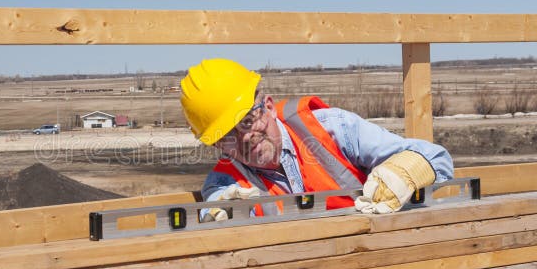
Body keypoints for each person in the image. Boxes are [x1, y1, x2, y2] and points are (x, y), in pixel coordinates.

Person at [179, 59, 454, 219]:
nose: (247, 137)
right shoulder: (225, 184)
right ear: (216, 145)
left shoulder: (334, 129)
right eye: (228, 135)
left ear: (270, 107)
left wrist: (404, 171)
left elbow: (436, 159)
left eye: (248, 120)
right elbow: (216, 210)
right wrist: (224, 217)